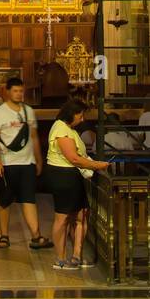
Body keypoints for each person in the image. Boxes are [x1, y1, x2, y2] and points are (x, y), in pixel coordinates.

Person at [0, 76, 52, 249]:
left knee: (29, 198)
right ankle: (4, 235)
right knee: (5, 200)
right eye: (15, 91)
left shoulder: (28, 111)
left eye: (21, 91)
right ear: (8, 92)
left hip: (26, 162)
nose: (18, 94)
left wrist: (38, 160)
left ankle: (36, 236)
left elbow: (34, 137)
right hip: (6, 163)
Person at [45, 99, 109, 271]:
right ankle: (60, 258)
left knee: (81, 215)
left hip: (72, 175)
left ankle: (76, 256)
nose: (82, 119)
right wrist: (98, 165)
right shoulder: (60, 129)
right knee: (63, 217)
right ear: (71, 114)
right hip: (63, 175)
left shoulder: (69, 129)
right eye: (80, 115)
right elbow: (73, 158)